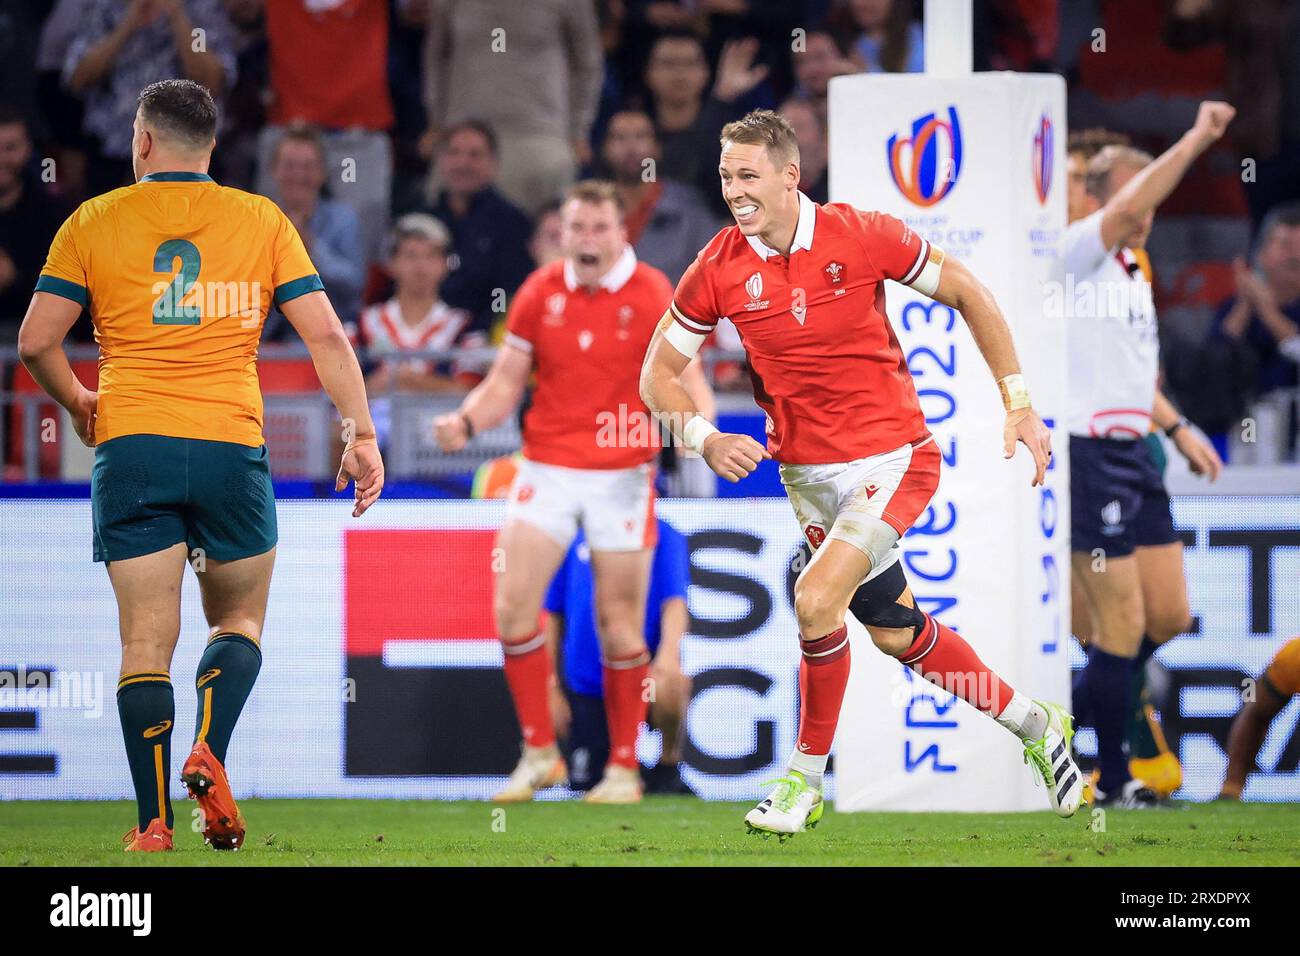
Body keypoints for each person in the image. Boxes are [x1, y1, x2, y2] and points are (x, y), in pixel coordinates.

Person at [640, 109, 1083, 838]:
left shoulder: (862, 233)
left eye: (748, 176)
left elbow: (969, 292)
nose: (734, 191)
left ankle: (801, 785)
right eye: (725, 177)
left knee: (815, 600)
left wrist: (1020, 405)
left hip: (893, 457)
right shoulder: (719, 264)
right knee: (895, 632)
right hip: (808, 478)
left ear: (791, 176)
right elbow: (656, 373)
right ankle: (1037, 723)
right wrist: (701, 434)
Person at [17, 79, 383, 852]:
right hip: (228, 447)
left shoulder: (93, 219)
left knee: (145, 644)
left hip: (132, 447)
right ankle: (209, 752)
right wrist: (361, 436)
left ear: (142, 142)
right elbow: (326, 338)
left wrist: (82, 400)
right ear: (213, 147)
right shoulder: (259, 218)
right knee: (239, 620)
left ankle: (152, 825)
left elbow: (34, 342)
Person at [434, 180, 711, 804]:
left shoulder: (652, 294)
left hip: (624, 474)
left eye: (598, 229)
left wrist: (700, 432)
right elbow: (505, 381)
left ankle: (621, 770)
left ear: (621, 233)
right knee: (511, 609)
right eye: (575, 229)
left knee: (620, 627)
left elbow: (686, 373)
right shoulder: (539, 291)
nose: (585, 241)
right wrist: (467, 421)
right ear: (562, 233)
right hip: (548, 468)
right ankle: (538, 753)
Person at [1065, 103, 1233, 808]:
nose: (1151, 209)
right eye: (1142, 196)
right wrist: (1196, 136)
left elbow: (1135, 372)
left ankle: (1084, 707)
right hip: (1089, 455)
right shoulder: (1074, 251)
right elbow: (1133, 195)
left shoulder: (1134, 264)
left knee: (1166, 618)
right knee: (1117, 625)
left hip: (1138, 451)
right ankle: (1110, 772)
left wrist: (1179, 427)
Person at [544, 517, 692, 795]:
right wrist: (550, 686)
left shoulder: (663, 534)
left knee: (671, 682)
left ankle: (667, 767)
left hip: (640, 683)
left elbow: (675, 602)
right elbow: (552, 613)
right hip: (586, 687)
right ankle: (617, 765)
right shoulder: (570, 536)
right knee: (587, 781)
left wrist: (668, 657)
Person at [420, 0, 602, 217]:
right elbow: (436, 56)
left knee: (549, 234)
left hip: (540, 133)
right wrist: (437, 122)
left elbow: (588, 62)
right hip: (463, 131)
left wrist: (578, 131)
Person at [257, 0, 394, 263]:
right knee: (265, 233)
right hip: (289, 130)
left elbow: (417, 12)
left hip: (357, 137)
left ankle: (362, 303)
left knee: (364, 241)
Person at [64, 0, 236, 195]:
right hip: (111, 151)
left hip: (187, 148)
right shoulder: (104, 7)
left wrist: (177, 15)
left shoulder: (202, 8)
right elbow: (79, 79)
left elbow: (211, 82)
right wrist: (127, 25)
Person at [352, 213, 486, 450]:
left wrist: (400, 379)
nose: (420, 266)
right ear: (391, 264)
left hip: (438, 431)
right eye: (410, 255)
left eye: (431, 256)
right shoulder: (361, 323)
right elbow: (337, 394)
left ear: (446, 265)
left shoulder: (465, 327)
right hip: (371, 433)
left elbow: (469, 391)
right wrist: (424, 383)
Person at [421, 120, 534, 335]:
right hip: (426, 340)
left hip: (483, 340)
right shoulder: (425, 219)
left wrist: (480, 331)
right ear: (442, 161)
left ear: (494, 163)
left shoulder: (512, 223)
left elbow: (507, 293)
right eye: (454, 153)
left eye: (475, 155)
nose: (463, 163)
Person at [1207, 203, 1300, 462]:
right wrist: (1246, 305)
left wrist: (1267, 310)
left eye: (1299, 246)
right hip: (1244, 427)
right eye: (1284, 245)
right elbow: (1216, 358)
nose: (1294, 255)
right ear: (1260, 255)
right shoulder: (1233, 306)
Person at [601, 108, 722, 285]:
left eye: (641, 136)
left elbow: (714, 271)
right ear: (605, 149)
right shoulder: (589, 208)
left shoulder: (689, 207)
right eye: (620, 137)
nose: (631, 147)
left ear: (657, 148)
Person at [266, 123, 364, 333]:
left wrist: (310, 246)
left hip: (332, 334)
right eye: (289, 165)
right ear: (274, 171)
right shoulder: (260, 220)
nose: (298, 175)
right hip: (270, 342)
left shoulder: (343, 219)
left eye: (308, 166)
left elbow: (355, 284)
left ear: (322, 173)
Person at [0, 110, 75, 344]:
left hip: (31, 333)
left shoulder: (54, 213)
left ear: (28, 150)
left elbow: (71, 293)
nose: (1, 158)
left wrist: (15, 277)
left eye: (10, 148)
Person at [1219, 637, 1300, 800]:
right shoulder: (1293, 657)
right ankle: (1231, 788)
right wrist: (1232, 786)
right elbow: (1255, 713)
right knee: (1257, 708)